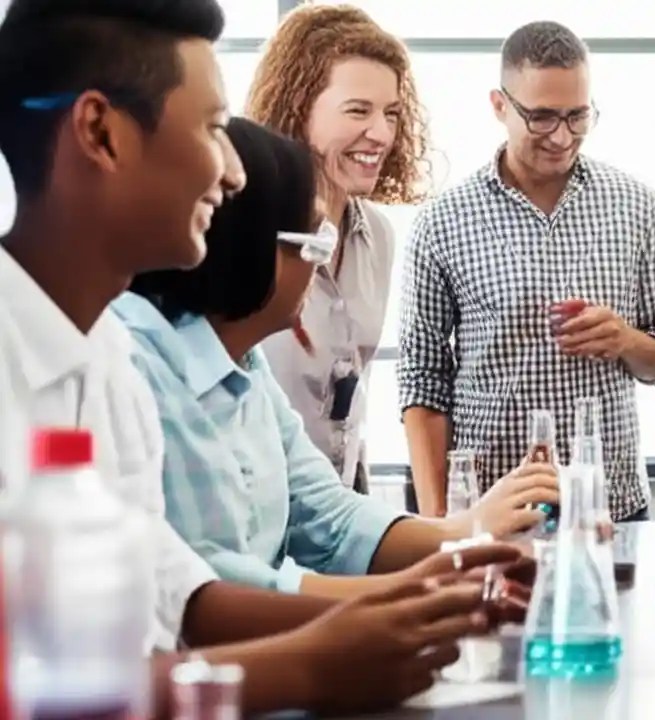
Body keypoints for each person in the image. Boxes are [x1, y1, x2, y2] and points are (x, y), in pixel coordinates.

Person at [0, 0, 527, 715]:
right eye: (213, 129)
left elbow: (175, 597)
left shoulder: (105, 359)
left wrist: (425, 596)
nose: (232, 174)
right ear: (101, 132)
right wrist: (310, 665)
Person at [115, 117, 558, 599]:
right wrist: (419, 588)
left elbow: (330, 517)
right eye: (313, 243)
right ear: (247, 244)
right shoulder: (137, 366)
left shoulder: (247, 368)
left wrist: (470, 535)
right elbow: (206, 582)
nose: (322, 264)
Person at [398, 20, 655, 520]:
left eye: (578, 116)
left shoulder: (636, 206)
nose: (562, 136)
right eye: (541, 118)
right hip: (492, 510)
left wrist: (623, 339)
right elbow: (422, 380)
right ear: (499, 106)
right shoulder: (442, 221)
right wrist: (442, 524)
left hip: (610, 506)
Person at [248, 4, 427, 495]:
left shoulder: (379, 238)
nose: (382, 133)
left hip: (338, 507)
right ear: (299, 107)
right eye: (358, 110)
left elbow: (349, 400)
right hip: (257, 509)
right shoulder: (242, 229)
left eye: (391, 113)